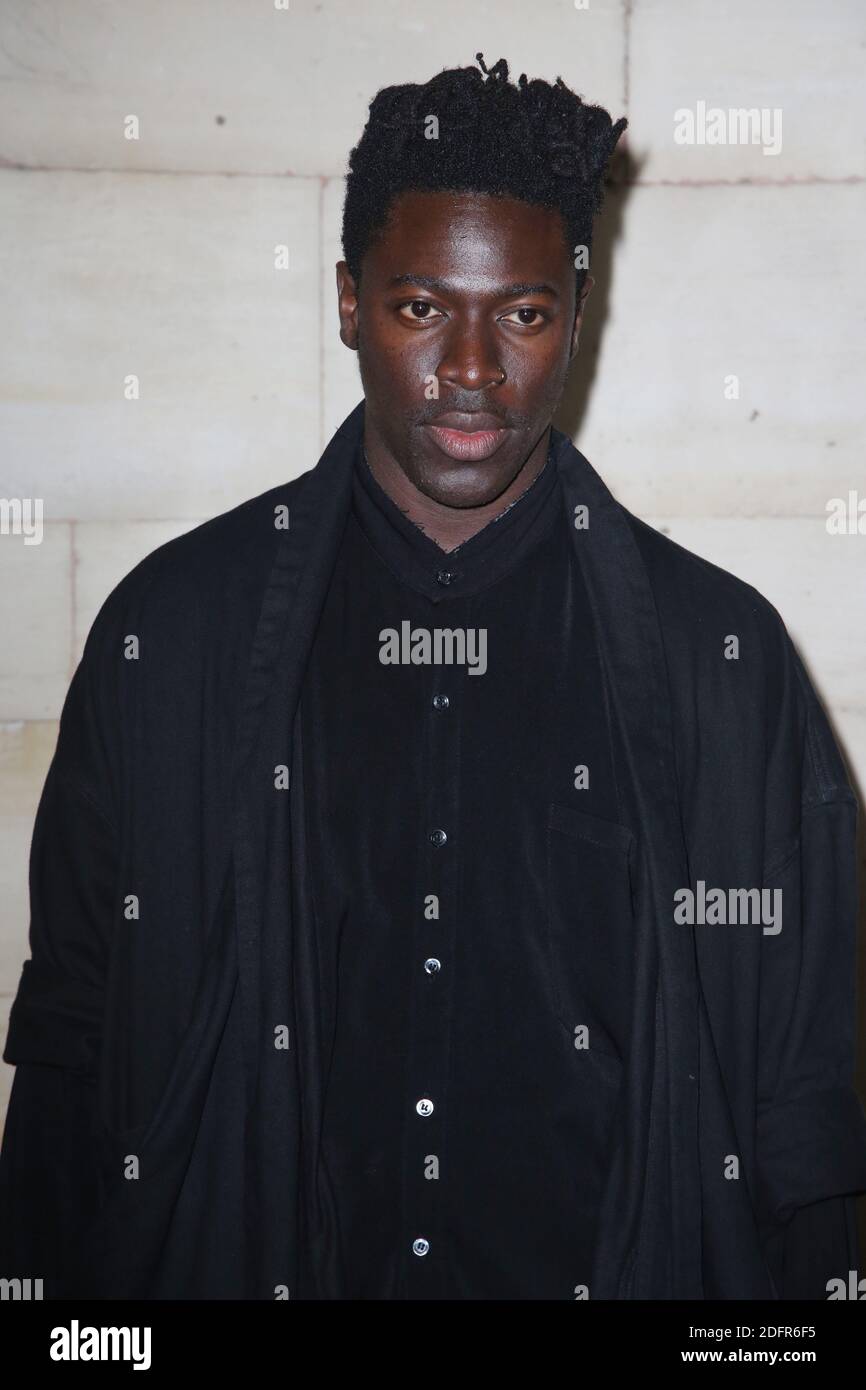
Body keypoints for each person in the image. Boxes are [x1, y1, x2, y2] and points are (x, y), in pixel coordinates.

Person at [2, 52, 866, 1301]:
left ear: (576, 309)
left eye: (519, 313)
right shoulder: (170, 639)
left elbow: (802, 1122)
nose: (470, 370)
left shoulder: (719, 666)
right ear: (348, 301)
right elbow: (74, 1059)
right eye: (420, 308)